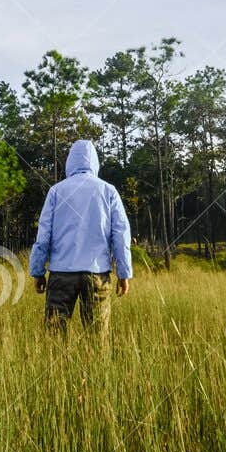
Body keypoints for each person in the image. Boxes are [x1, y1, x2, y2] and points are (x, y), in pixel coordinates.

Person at [28, 139, 133, 330]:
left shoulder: (56, 191)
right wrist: (124, 273)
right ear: (95, 162)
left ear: (70, 161)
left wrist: (37, 271)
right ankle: (95, 361)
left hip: (61, 273)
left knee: (54, 335)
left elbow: (43, 235)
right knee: (97, 337)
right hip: (97, 274)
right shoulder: (108, 191)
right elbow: (120, 235)